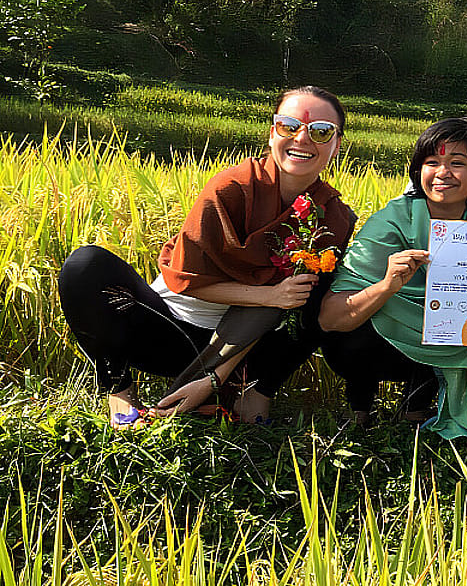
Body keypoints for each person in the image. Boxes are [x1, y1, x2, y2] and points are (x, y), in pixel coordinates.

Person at [58, 86, 355, 427]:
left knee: (328, 288)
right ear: (273, 132)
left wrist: (214, 377)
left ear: (337, 144)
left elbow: (285, 308)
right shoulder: (231, 189)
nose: (302, 139)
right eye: (289, 126)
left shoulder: (333, 217)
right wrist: (268, 295)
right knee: (85, 265)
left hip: (248, 349)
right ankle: (119, 390)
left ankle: (254, 394)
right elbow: (186, 281)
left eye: (321, 131)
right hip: (172, 330)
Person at [319, 118, 467, 490]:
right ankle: (360, 409)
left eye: (457, 163)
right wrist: (386, 286)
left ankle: (417, 408)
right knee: (379, 323)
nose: (442, 172)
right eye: (432, 162)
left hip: (431, 347)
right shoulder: (391, 222)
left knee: (454, 323)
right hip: (369, 345)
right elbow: (329, 318)